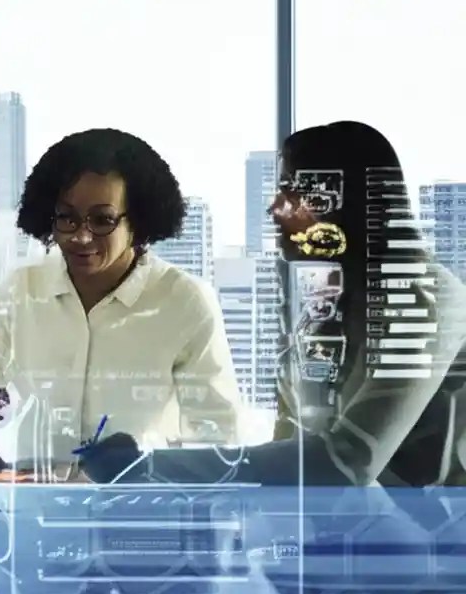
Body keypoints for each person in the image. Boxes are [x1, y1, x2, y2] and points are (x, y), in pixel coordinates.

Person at [79, 121, 466, 487]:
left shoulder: (424, 299)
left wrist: (148, 467)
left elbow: (345, 464)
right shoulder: (328, 311)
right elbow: (291, 455)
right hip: (356, 541)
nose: (275, 208)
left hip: (434, 548)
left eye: (291, 191)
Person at [0, 128, 246, 481]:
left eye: (102, 220)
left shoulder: (185, 301)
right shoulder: (22, 289)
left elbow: (221, 436)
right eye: (67, 217)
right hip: (32, 506)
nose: (80, 236)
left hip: (139, 510)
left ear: (139, 221)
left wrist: (145, 462)